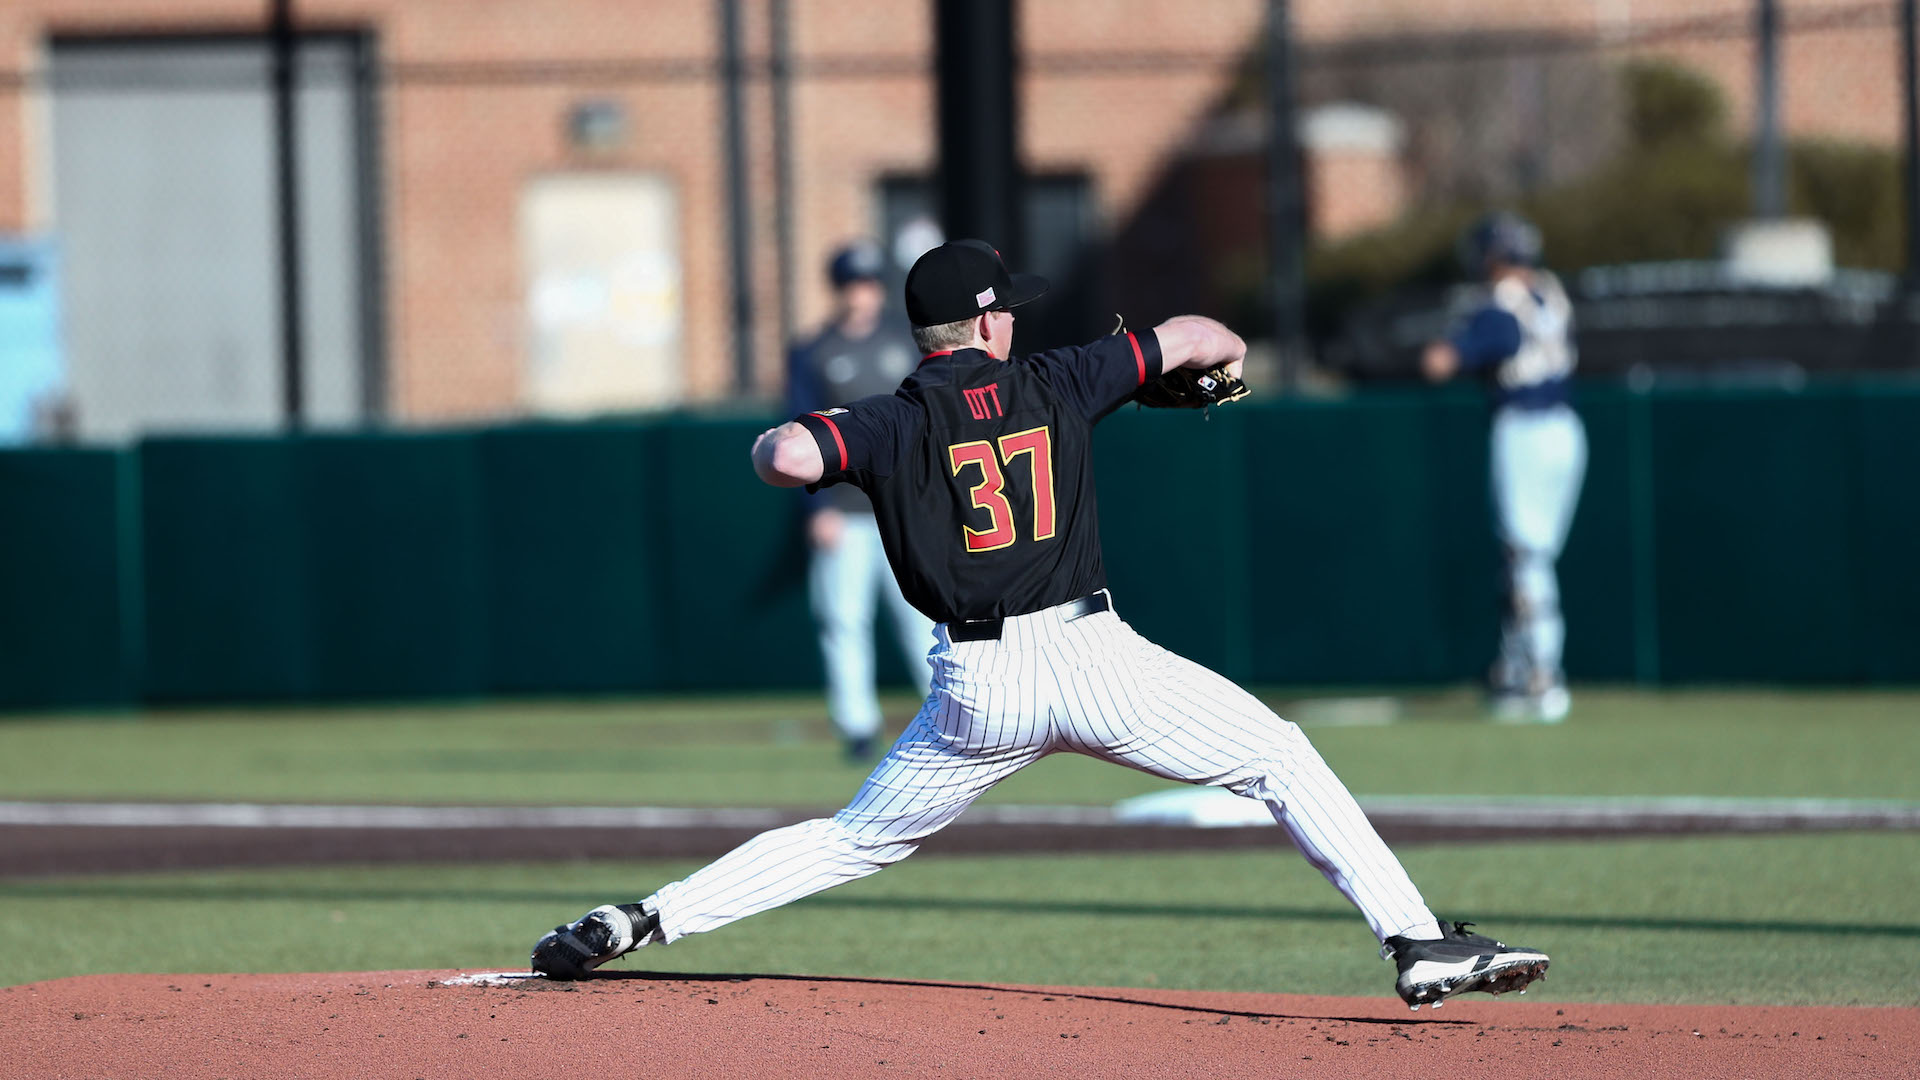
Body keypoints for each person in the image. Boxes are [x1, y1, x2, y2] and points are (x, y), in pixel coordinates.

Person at [533, 239, 1549, 1011]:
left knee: (853, 840)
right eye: (1003, 311)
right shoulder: (1056, 379)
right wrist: (1196, 370)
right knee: (1279, 758)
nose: (1013, 322)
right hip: (1093, 656)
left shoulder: (893, 417)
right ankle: (1416, 941)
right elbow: (1204, 340)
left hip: (977, 687)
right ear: (982, 327)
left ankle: (644, 917)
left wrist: (784, 443)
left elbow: (790, 459)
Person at [1423, 212, 1587, 724]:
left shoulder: (1499, 305)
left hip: (1525, 430)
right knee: (1533, 558)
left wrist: (1437, 348)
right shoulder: (1550, 295)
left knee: (1527, 557)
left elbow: (1442, 362)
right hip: (1567, 429)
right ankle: (1517, 672)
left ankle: (1543, 675)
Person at [788, 242, 935, 761]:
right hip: (845, 512)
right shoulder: (815, 350)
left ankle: (948, 715)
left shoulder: (906, 341)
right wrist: (817, 507)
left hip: (905, 509)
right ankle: (856, 727)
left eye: (869, 283)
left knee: (923, 619)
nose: (862, 294)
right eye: (853, 284)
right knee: (843, 619)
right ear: (839, 289)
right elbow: (800, 432)